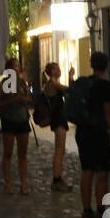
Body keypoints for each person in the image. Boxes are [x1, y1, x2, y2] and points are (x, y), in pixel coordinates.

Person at [68, 51, 110, 218]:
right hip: (98, 132)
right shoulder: (105, 86)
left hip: (82, 131)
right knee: (102, 173)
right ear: (105, 66)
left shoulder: (83, 83)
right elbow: (108, 110)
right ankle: (101, 212)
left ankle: (86, 211)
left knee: (87, 170)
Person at [0, 56, 33, 195]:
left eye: (17, 66)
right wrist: (11, 101)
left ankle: (24, 184)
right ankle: (8, 183)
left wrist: (24, 99)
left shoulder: (23, 83)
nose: (16, 69)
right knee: (8, 153)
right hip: (9, 120)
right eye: (13, 66)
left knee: (22, 154)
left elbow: (30, 99)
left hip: (22, 120)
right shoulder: (5, 84)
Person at [42, 62, 72, 192]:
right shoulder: (53, 83)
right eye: (58, 68)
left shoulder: (51, 83)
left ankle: (58, 178)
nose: (60, 70)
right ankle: (57, 179)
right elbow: (67, 89)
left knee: (60, 149)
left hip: (59, 118)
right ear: (52, 71)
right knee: (60, 149)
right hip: (58, 119)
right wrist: (71, 77)